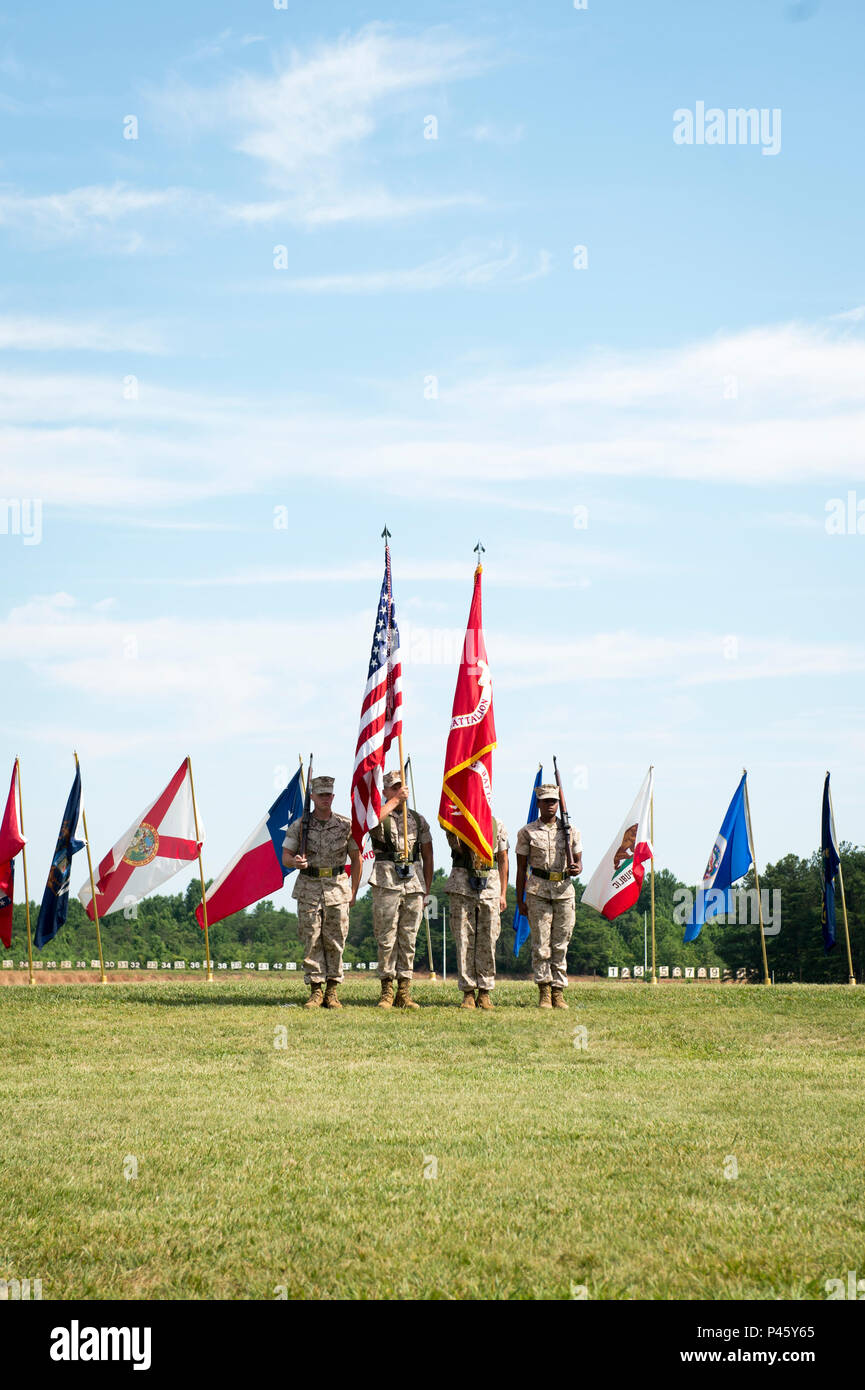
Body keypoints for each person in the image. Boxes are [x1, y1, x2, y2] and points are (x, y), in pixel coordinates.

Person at [282, 775, 361, 1009]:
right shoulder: (299, 826)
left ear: (333, 796)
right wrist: (295, 862)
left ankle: (332, 991)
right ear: (313, 797)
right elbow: (285, 856)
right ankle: (316, 990)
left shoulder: (346, 825)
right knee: (312, 938)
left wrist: (353, 891)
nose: (325, 799)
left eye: (329, 794)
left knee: (336, 939)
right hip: (309, 887)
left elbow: (356, 859)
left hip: (337, 887)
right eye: (321, 795)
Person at [368, 769, 434, 1010]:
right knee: (386, 938)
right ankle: (386, 989)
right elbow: (369, 823)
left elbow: (428, 854)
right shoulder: (379, 815)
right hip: (386, 881)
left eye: (401, 787)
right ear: (385, 791)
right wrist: (395, 801)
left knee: (408, 938)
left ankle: (404, 990)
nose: (399, 791)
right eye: (393, 788)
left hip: (413, 883)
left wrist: (426, 889)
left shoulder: (417, 819)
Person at [515, 784, 582, 1009]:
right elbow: (521, 868)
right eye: (546, 801)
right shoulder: (527, 832)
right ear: (539, 804)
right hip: (537, 891)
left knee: (561, 943)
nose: (550, 805)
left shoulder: (571, 830)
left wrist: (577, 868)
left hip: (564, 890)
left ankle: (558, 992)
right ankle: (544, 991)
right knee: (541, 943)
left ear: (559, 804)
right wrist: (519, 900)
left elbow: (579, 862)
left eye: (554, 801)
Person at [444, 818, 508, 1010]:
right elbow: (452, 838)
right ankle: (468, 992)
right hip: (462, 885)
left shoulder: (498, 824)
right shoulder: (457, 820)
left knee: (488, 940)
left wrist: (503, 893)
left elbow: (503, 858)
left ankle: (485, 992)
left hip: (490, 887)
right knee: (464, 940)